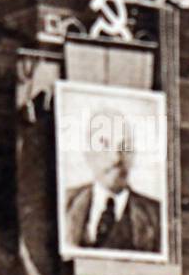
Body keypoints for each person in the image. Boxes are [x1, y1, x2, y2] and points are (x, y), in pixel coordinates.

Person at [65, 107, 161, 254]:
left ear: (134, 154)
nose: (116, 158)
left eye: (124, 146)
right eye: (104, 145)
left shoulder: (157, 215)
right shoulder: (65, 202)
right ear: (88, 153)